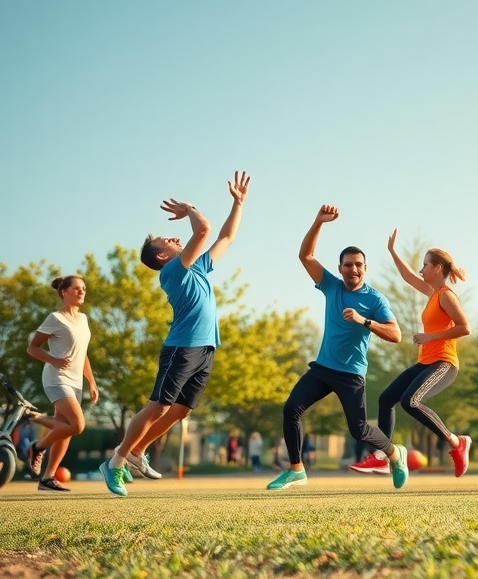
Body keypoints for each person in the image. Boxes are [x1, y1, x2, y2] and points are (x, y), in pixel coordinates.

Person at [101, 171, 251, 496]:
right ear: (161, 256)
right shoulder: (172, 271)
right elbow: (204, 228)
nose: (175, 238)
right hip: (182, 347)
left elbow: (224, 237)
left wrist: (237, 204)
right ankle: (116, 461)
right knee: (158, 407)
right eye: (167, 240)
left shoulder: (197, 266)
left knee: (180, 411)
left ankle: (138, 452)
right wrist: (189, 207)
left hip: (206, 348)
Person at [267, 205, 408, 492]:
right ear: (340, 267)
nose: (353, 269)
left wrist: (364, 320)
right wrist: (318, 221)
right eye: (347, 264)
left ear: (365, 268)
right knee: (291, 408)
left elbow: (396, 335)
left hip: (351, 374)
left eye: (358, 264)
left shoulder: (375, 300)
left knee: (359, 431)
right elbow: (305, 256)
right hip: (322, 369)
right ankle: (296, 470)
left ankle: (395, 453)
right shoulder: (331, 286)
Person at [364, 229, 472, 478]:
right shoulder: (432, 294)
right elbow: (407, 276)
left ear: (437, 268)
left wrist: (430, 337)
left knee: (410, 401)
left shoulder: (446, 296)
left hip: (444, 363)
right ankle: (383, 456)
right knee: (386, 398)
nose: (421, 269)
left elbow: (465, 327)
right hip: (426, 362)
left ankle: (457, 443)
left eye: (425, 265)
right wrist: (392, 251)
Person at [25, 275, 99, 493]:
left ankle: (47, 479)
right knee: (77, 425)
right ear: (64, 292)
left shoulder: (83, 319)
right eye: (76, 288)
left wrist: (92, 382)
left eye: (83, 288)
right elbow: (33, 347)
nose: (81, 292)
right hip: (56, 378)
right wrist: (53, 359)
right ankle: (36, 444)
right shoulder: (55, 318)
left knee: (64, 430)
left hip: (76, 381)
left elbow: (82, 354)